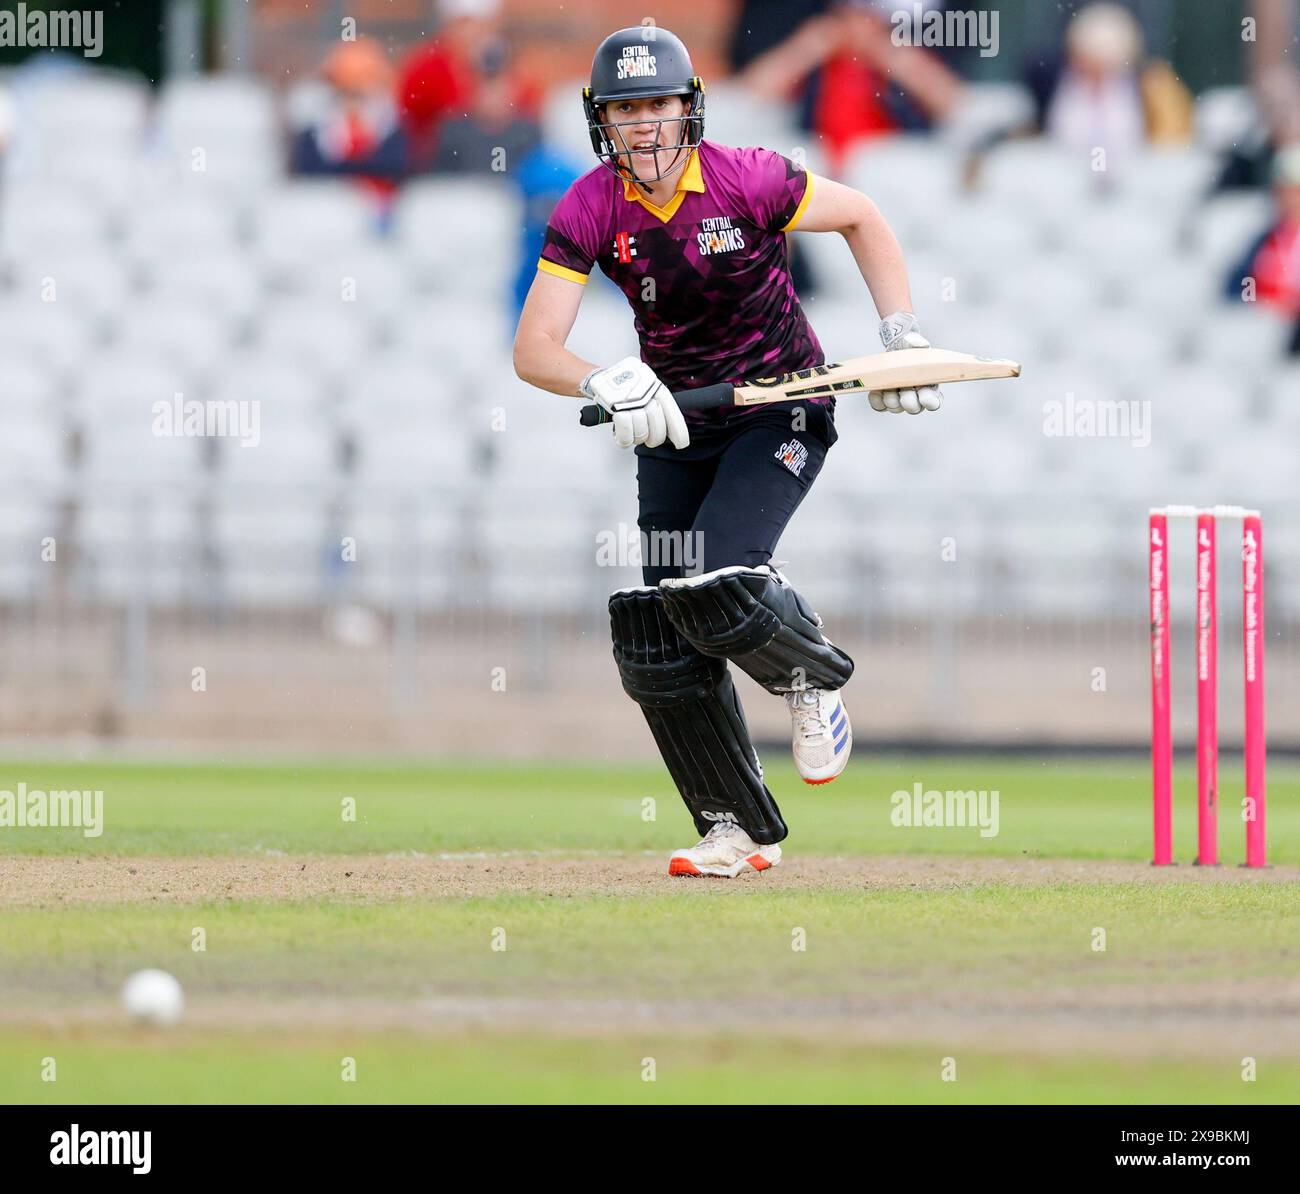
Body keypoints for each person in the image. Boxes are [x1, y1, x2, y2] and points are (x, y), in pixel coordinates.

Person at [512, 27, 942, 879]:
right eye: (626, 109)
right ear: (603, 120)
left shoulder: (750, 178)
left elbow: (862, 214)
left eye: (658, 106)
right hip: (674, 423)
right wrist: (603, 383)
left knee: (716, 576)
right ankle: (732, 827)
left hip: (778, 408)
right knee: (660, 629)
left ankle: (811, 674)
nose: (645, 126)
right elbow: (534, 349)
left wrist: (900, 336)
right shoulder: (591, 205)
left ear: (689, 108)